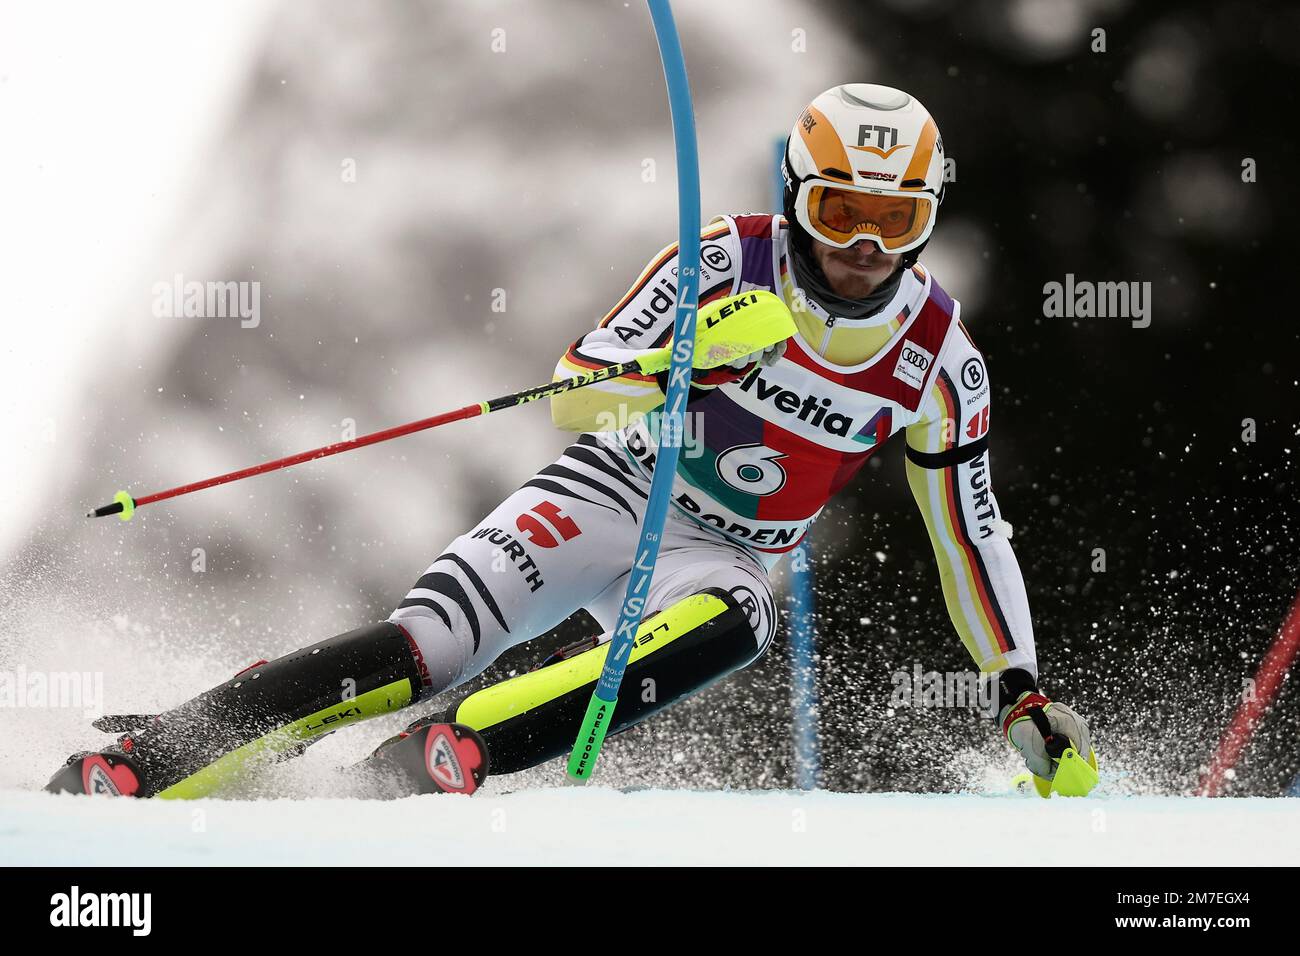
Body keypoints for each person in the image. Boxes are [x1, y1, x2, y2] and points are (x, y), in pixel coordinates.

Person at [50, 83, 1092, 798]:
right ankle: (161, 753)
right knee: (430, 644)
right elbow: (570, 394)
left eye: (894, 219)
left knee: (741, 618)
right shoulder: (722, 259)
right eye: (839, 212)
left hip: (723, 551)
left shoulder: (937, 357)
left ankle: (441, 759)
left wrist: (1018, 685)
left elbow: (969, 534)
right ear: (796, 196)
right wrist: (684, 369)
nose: (864, 250)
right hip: (614, 484)